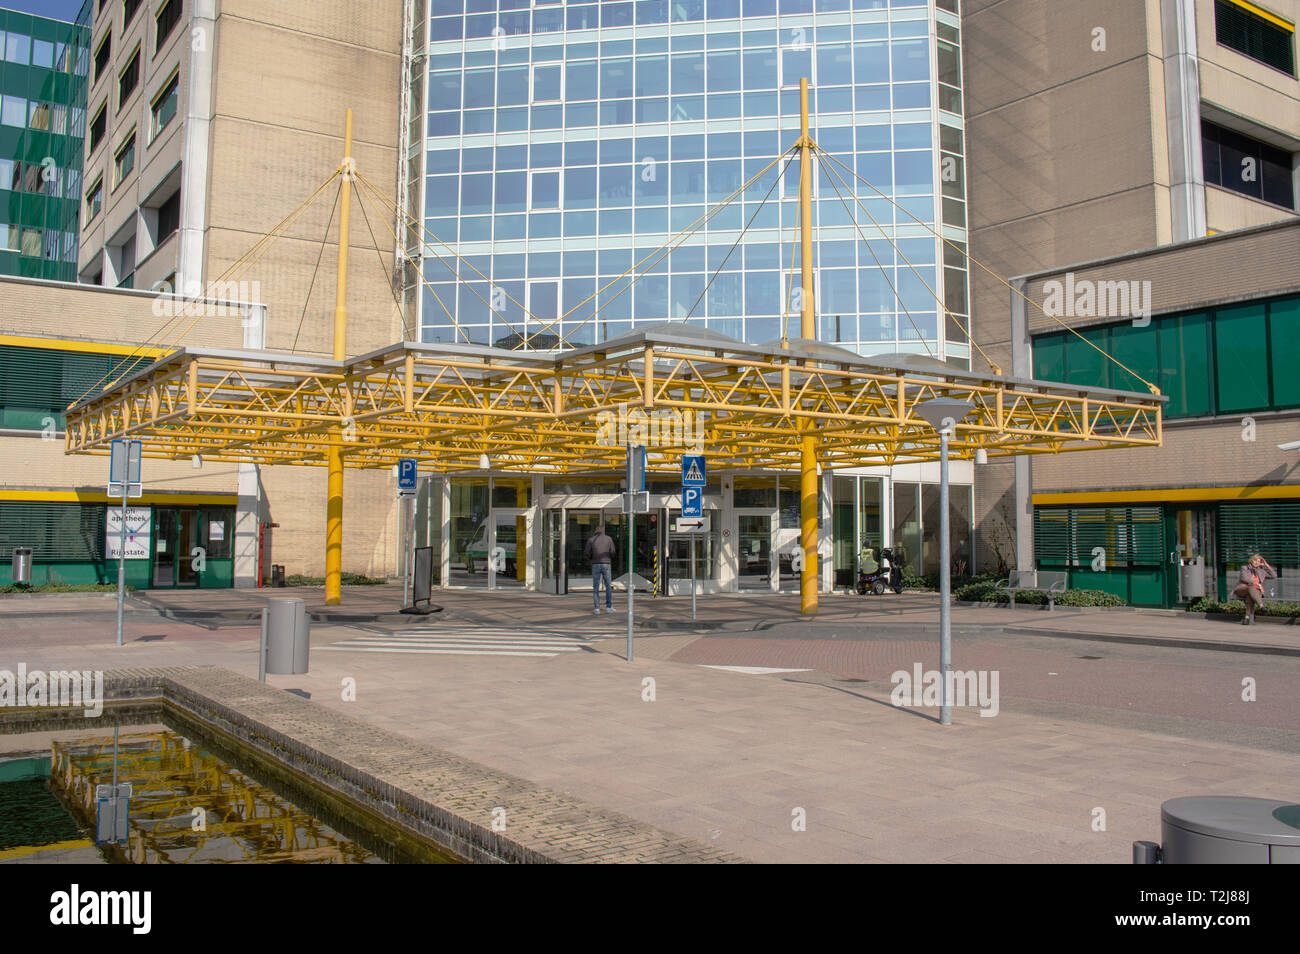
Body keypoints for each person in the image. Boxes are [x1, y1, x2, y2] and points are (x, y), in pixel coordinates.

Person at [1233, 553, 1276, 625]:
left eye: (1259, 561)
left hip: (1254, 592)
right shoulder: (1245, 568)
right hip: (1242, 589)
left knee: (1249, 597)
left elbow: (1274, 576)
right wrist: (1257, 584)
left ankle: (1246, 618)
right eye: (1255, 560)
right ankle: (1261, 606)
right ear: (1251, 561)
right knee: (1251, 587)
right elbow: (1244, 578)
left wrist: (1266, 565)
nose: (1256, 562)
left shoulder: (1261, 571)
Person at [585, 525, 617, 614]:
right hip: (606, 563)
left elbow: (587, 553)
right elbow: (613, 552)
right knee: (608, 586)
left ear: (595, 530)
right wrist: (610, 558)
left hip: (595, 564)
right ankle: (609, 607)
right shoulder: (609, 539)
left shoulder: (591, 539)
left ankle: (597, 608)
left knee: (595, 586)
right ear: (603, 530)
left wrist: (592, 558)